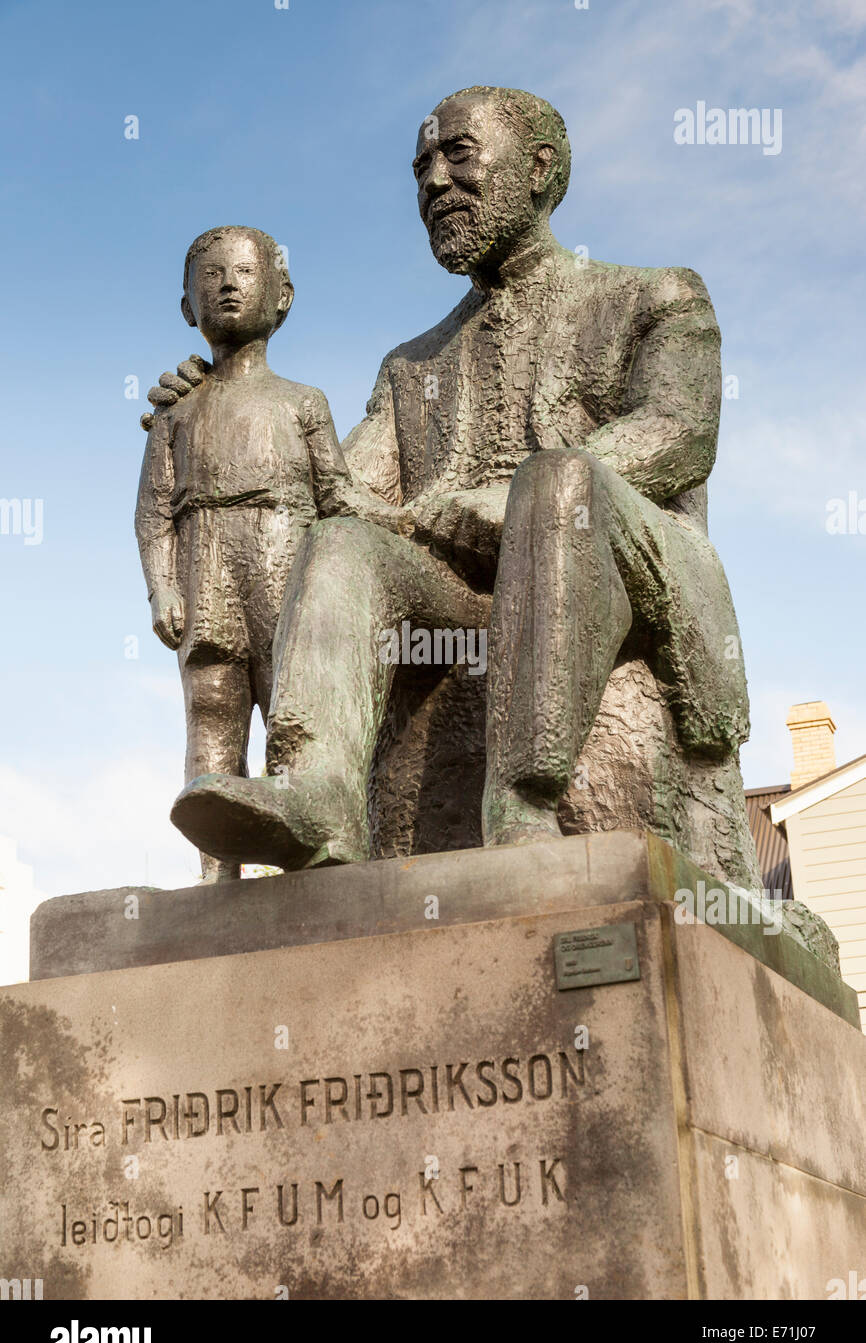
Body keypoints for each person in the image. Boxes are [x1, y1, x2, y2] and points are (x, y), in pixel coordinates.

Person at [148, 89, 749, 881]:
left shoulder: (653, 297)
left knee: (560, 483)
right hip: (469, 599)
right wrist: (223, 398)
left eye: (457, 155)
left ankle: (525, 804)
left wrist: (520, 498)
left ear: (540, 170)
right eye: (422, 166)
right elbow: (338, 491)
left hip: (628, 578)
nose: (434, 182)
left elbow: (677, 433)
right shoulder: (412, 365)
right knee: (341, 544)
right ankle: (319, 792)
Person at [135, 224, 409, 880]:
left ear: (282, 298)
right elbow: (152, 512)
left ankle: (301, 851)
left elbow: (341, 494)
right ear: (186, 308)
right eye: (211, 275)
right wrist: (162, 587)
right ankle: (214, 872)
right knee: (211, 710)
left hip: (287, 568)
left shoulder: (302, 401)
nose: (227, 285)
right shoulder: (175, 416)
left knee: (294, 708)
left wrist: (413, 525)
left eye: (244, 273)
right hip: (206, 572)